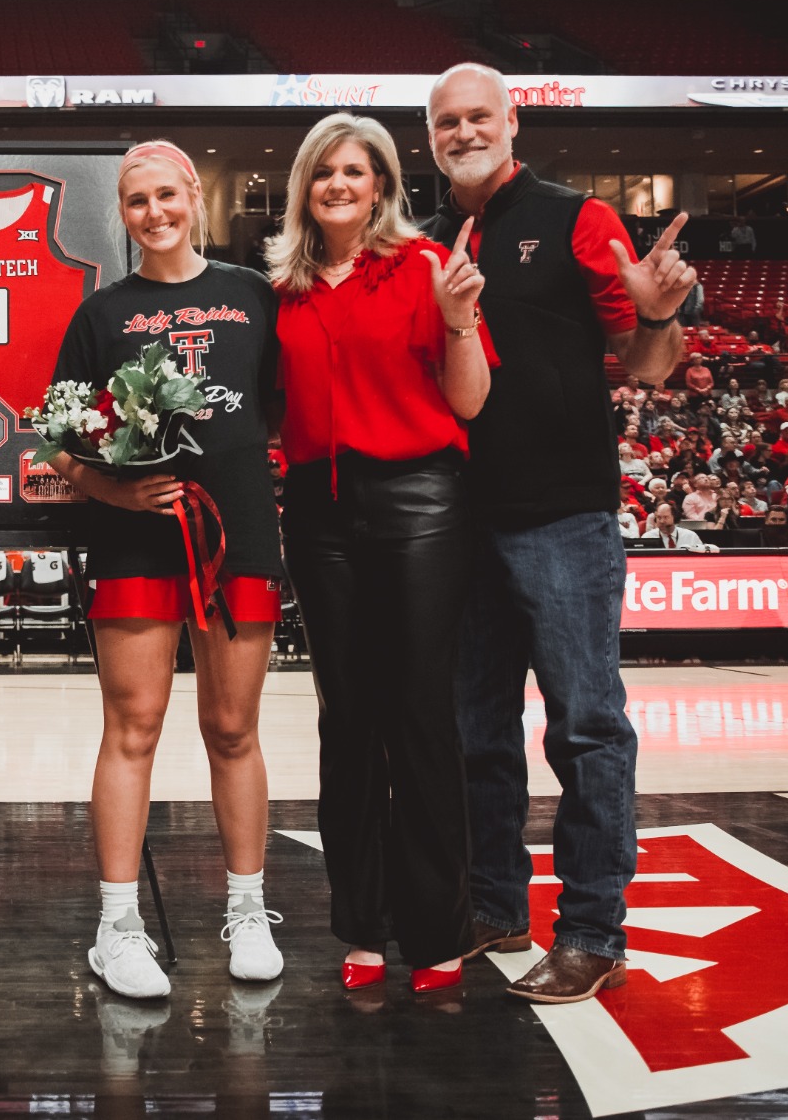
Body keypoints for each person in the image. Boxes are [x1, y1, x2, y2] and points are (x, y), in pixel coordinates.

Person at [423, 63, 695, 1005]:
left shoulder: (577, 217)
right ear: (430, 138)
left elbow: (648, 363)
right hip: (460, 518)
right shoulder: (426, 242)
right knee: (475, 730)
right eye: (446, 121)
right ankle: (496, 905)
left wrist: (660, 313)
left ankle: (592, 931)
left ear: (512, 122)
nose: (463, 131)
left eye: (477, 116)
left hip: (564, 514)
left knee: (585, 725)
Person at [44, 140, 283, 1000]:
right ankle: (116, 927)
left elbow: (279, 416)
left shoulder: (254, 295)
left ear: (194, 196)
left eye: (166, 195)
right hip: (137, 539)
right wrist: (118, 490)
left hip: (240, 532)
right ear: (124, 212)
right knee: (133, 728)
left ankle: (248, 910)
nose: (154, 212)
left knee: (232, 728)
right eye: (136, 201)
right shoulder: (101, 314)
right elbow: (59, 447)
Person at [271, 114, 492, 994]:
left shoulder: (428, 270)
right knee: (346, 716)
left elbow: (469, 404)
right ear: (303, 187)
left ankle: (439, 929)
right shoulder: (277, 288)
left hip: (420, 503)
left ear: (382, 185)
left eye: (355, 171)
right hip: (319, 514)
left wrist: (463, 324)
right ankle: (362, 926)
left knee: (419, 713)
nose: (338, 185)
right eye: (323, 172)